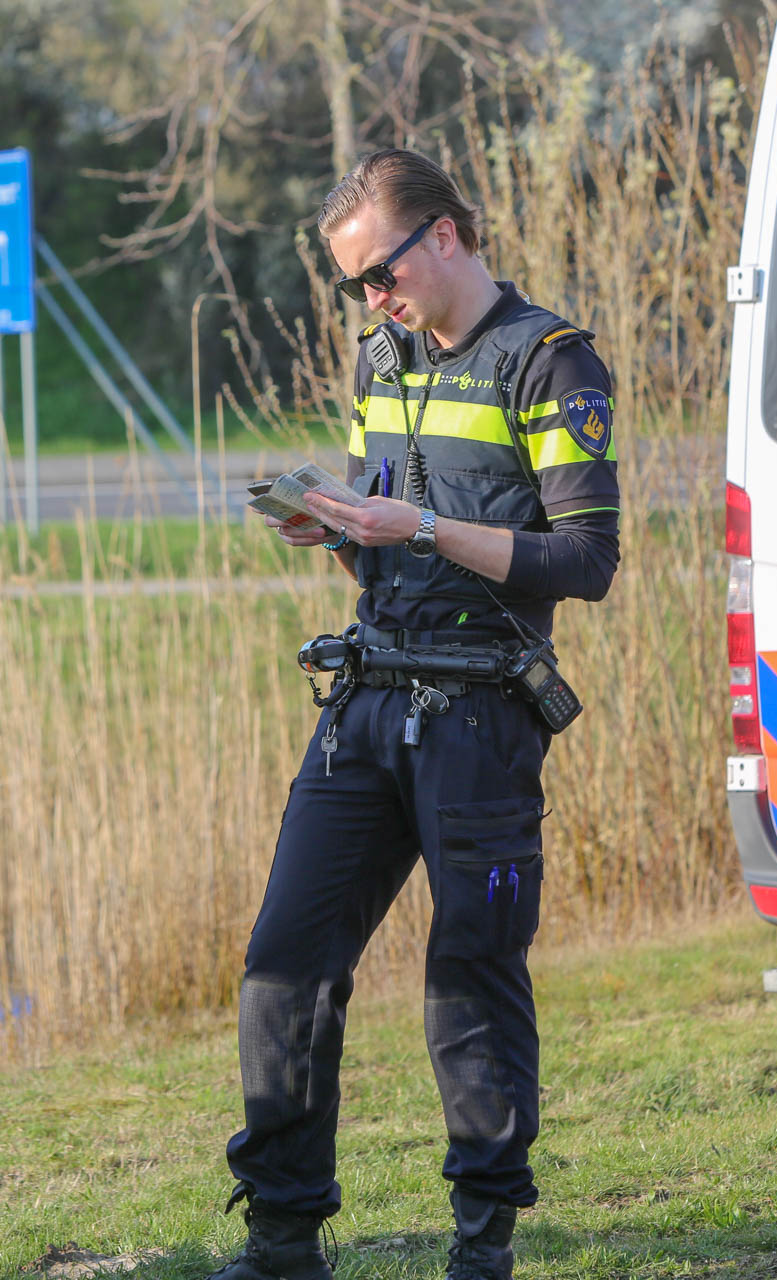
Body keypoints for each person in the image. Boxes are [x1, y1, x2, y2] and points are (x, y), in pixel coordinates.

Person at [211, 149, 619, 1280]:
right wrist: (337, 524)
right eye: (353, 286)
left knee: (470, 974)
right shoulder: (381, 360)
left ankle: (482, 1244)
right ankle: (282, 1240)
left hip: (483, 721)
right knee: (283, 968)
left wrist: (422, 532)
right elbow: (382, 533)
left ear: (445, 234)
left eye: (378, 274)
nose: (371, 300)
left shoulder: (549, 361)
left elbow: (586, 559)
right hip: (367, 699)